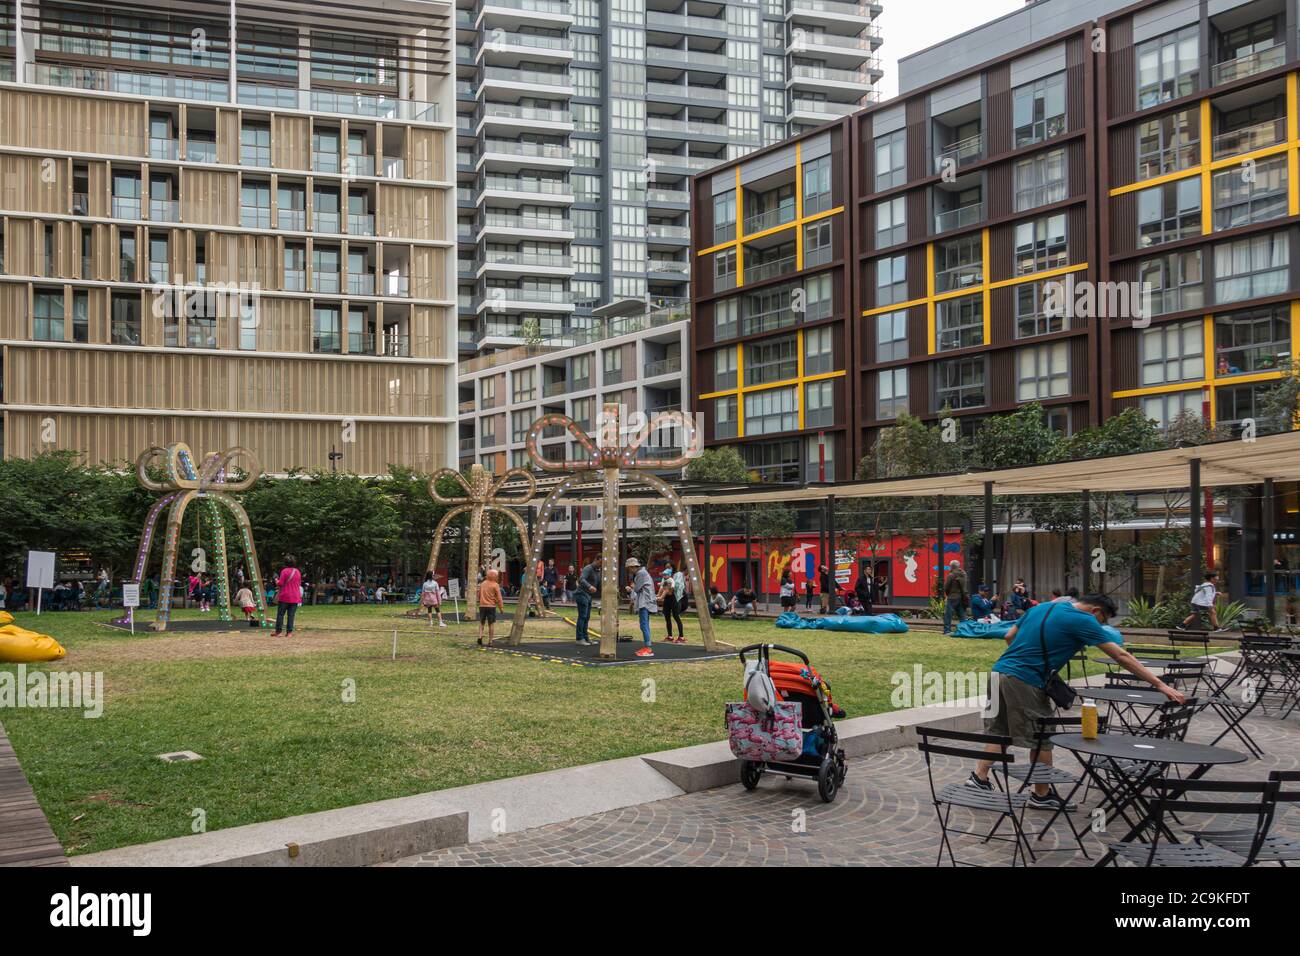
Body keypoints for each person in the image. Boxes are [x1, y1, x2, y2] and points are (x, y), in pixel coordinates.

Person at [968, 594, 1186, 810]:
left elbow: (1009, 635)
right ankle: (1041, 794)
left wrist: (1023, 658)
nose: (1100, 626)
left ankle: (980, 777)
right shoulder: (1084, 620)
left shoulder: (1040, 608)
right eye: (1103, 621)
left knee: (1000, 730)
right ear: (1096, 611)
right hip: (1026, 679)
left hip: (999, 672)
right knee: (1042, 736)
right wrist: (1160, 685)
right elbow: (1121, 656)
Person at [626, 557, 657, 658]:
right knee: (644, 624)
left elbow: (637, 588)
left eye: (629, 568)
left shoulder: (640, 574)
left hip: (644, 602)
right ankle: (647, 647)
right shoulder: (643, 573)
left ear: (633, 567)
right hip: (646, 601)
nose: (629, 571)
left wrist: (630, 589)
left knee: (644, 625)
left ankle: (648, 648)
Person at [272, 555, 303, 638]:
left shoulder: (284, 571)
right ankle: (289, 633)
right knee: (291, 615)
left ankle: (278, 632)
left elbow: (280, 584)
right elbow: (299, 583)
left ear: (285, 563)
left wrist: (276, 580)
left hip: (285, 596)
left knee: (280, 614)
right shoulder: (297, 572)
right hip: (295, 596)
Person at [575, 556, 601, 647]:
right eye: (600, 562)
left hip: (588, 595)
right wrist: (589, 586)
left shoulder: (598, 571)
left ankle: (585, 638)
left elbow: (599, 584)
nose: (601, 565)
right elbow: (581, 579)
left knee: (587, 617)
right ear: (596, 559)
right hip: (581, 593)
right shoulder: (588, 568)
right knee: (583, 616)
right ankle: (579, 638)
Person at [477, 568, 505, 646]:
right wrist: (501, 608)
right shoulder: (495, 585)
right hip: (491, 607)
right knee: (491, 624)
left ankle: (480, 636)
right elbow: (499, 598)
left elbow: (478, 595)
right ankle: (490, 641)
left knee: (482, 622)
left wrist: (481, 600)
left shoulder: (483, 584)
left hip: (482, 606)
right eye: (497, 576)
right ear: (494, 577)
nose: (497, 577)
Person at [658, 569, 684, 643]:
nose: (664, 576)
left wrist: (661, 597)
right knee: (667, 617)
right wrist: (659, 595)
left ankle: (681, 637)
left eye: (666, 575)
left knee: (676, 616)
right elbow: (662, 589)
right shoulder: (665, 581)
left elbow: (672, 589)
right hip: (667, 600)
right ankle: (670, 636)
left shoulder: (672, 582)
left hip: (674, 600)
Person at [942, 560, 968, 634]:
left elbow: (946, 587)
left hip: (952, 597)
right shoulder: (964, 574)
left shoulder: (951, 575)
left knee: (948, 614)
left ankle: (947, 631)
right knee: (962, 615)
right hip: (962, 597)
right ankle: (965, 630)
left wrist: (948, 595)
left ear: (951, 566)